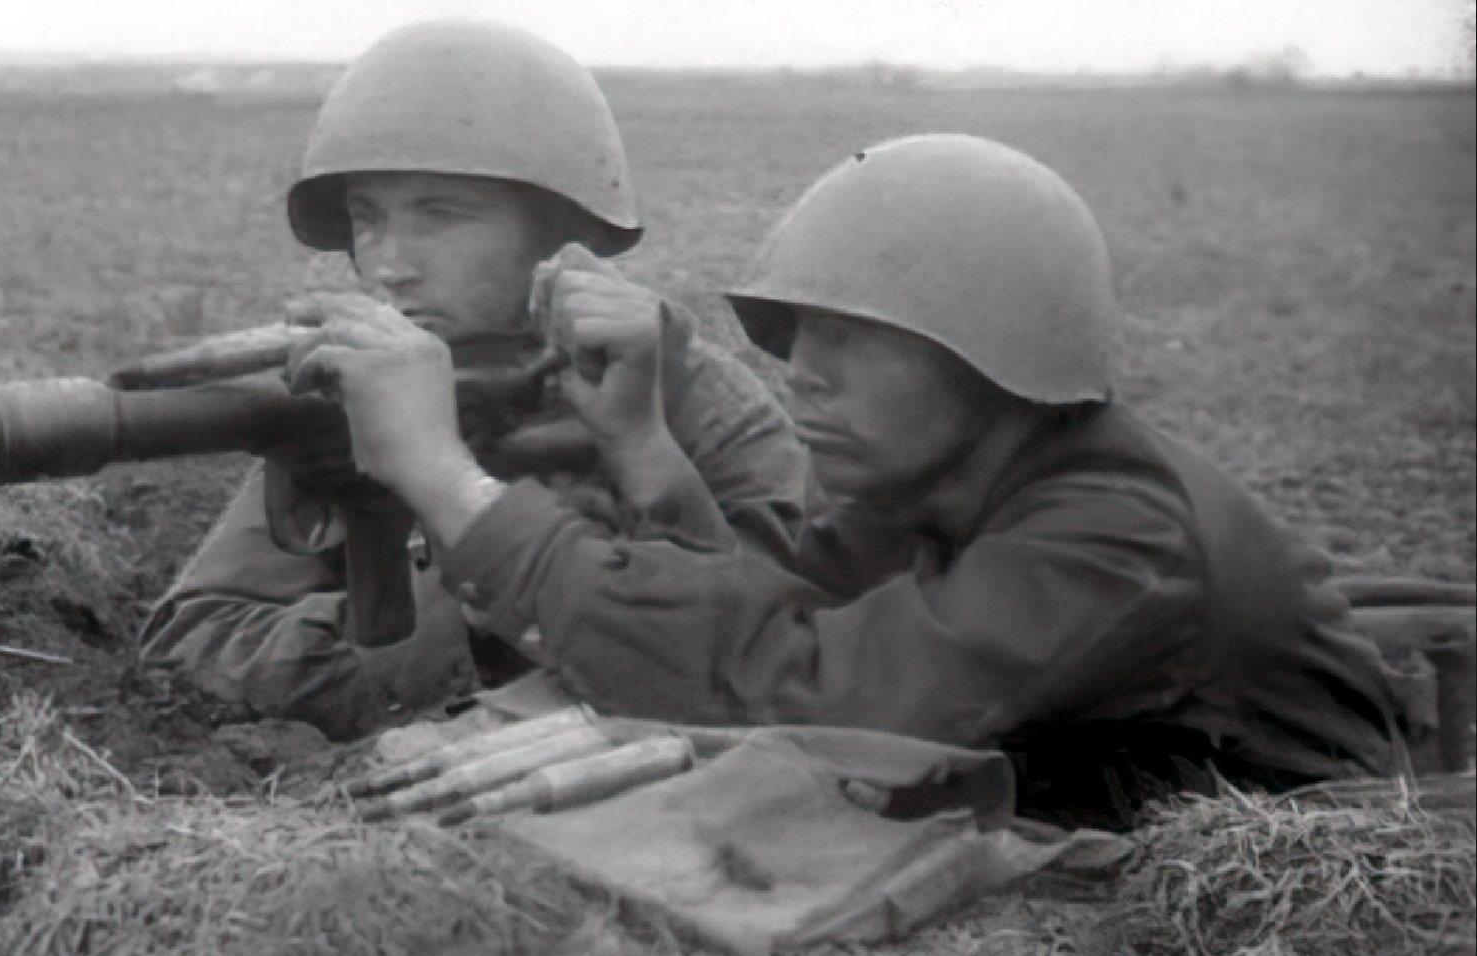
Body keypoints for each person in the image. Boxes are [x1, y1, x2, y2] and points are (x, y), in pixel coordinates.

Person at [293, 133, 1411, 820]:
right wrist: (642, 447)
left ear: (992, 356)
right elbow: (748, 610)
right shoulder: (936, 478)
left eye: (856, 339)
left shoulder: (1114, 532)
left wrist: (446, 479)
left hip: (1287, 812)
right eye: (799, 334)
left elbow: (799, 700)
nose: (800, 377)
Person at [139, 21, 807, 740]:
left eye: (441, 215)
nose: (390, 262)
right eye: (367, 218)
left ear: (557, 231)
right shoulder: (361, 391)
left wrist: (557, 563)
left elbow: (794, 649)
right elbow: (192, 641)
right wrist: (440, 629)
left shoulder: (685, 391)